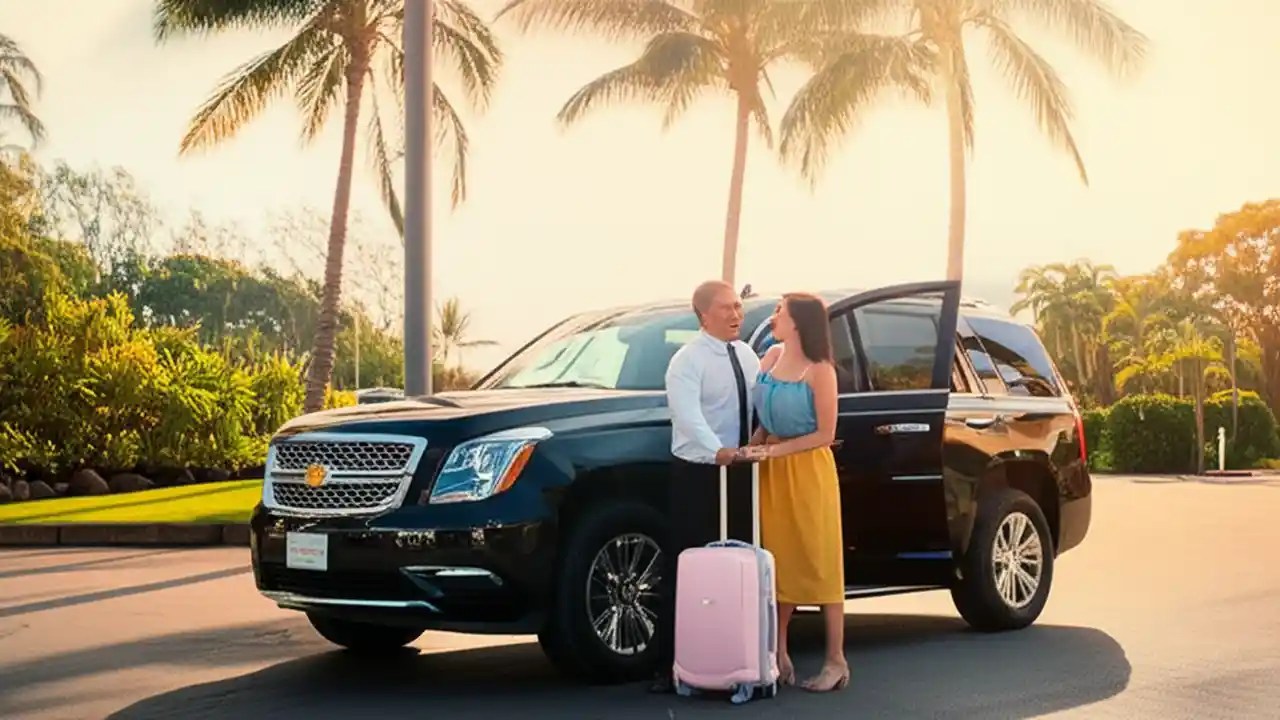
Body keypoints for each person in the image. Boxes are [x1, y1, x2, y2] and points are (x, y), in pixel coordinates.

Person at [650, 279, 761, 694]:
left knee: (740, 564)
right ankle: (671, 664)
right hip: (698, 473)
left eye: (738, 307)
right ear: (703, 315)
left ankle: (736, 657)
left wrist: (758, 443)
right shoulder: (687, 360)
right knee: (687, 566)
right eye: (726, 308)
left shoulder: (747, 355)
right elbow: (687, 415)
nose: (736, 315)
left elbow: (758, 404)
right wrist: (717, 451)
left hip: (740, 471)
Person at [748, 292, 848, 692]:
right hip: (770, 469)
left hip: (807, 470)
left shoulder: (820, 370)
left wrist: (773, 449)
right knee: (777, 559)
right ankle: (778, 654)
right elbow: (762, 413)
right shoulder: (770, 358)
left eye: (780, 312)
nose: (773, 317)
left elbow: (826, 434)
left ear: (799, 322)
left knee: (819, 559)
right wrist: (754, 446)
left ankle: (836, 660)